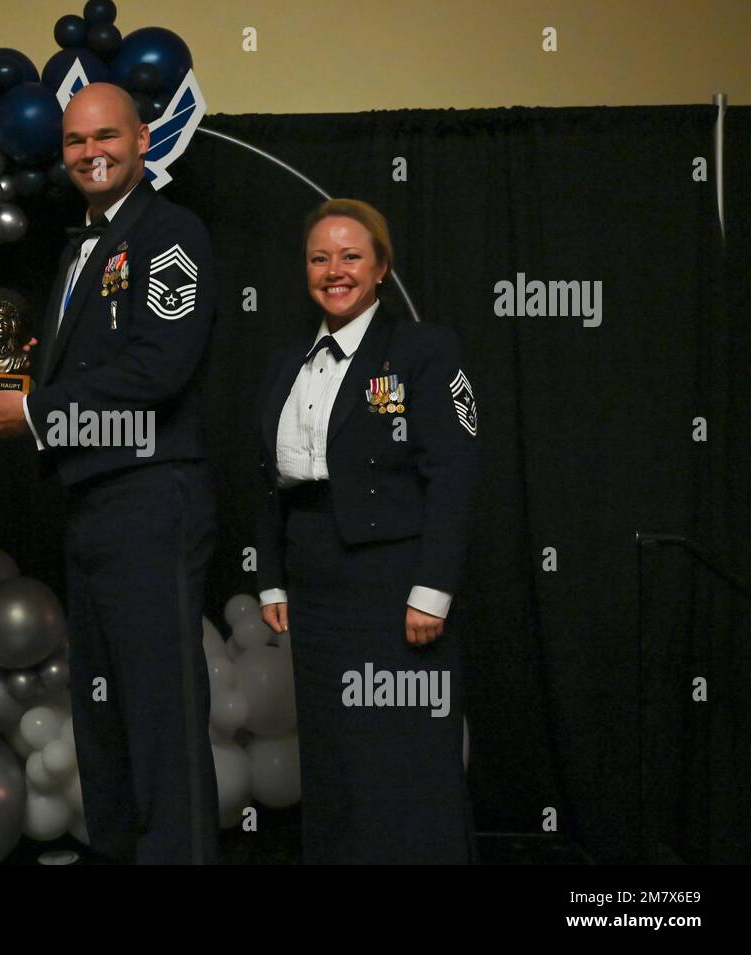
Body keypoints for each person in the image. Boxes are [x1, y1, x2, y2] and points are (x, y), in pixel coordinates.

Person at [0, 82, 219, 864]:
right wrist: (14, 383)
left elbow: (157, 368)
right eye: (75, 142)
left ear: (144, 140)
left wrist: (39, 412)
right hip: (93, 503)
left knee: (159, 720)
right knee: (103, 722)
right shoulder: (83, 247)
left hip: (152, 497)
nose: (90, 153)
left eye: (106, 136)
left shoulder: (169, 233)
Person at [255, 198, 479, 863]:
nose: (334, 270)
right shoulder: (285, 360)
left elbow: (456, 473)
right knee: (334, 755)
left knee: (405, 753)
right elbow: (268, 479)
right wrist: (270, 576)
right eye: (320, 258)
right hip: (316, 581)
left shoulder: (422, 349)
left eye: (351, 256)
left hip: (395, 582)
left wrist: (431, 589)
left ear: (381, 268)